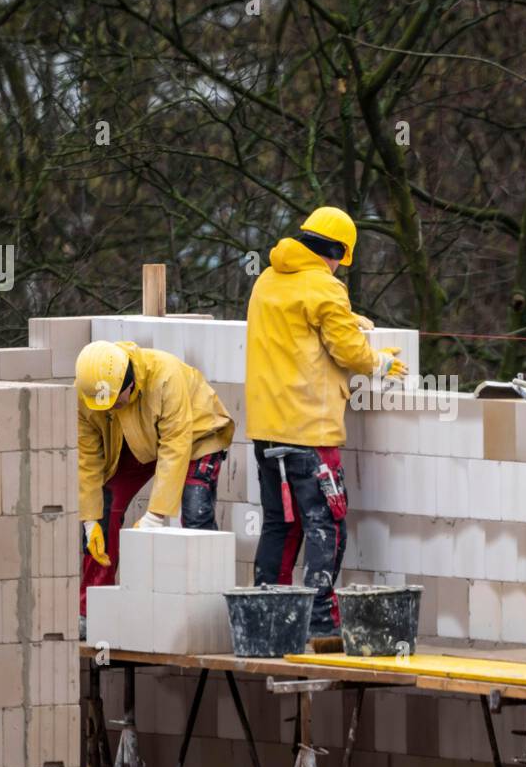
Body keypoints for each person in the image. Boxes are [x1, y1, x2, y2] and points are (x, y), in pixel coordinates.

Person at [245, 206, 408, 642]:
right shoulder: (326, 288)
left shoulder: (267, 280)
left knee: (280, 523)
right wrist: (380, 362)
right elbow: (350, 354)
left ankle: (267, 614)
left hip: (266, 430)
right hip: (309, 431)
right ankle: (320, 620)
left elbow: (295, 326)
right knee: (325, 522)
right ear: (335, 251)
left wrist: (348, 322)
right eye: (340, 258)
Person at [75, 338, 235, 638]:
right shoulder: (87, 393)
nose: (111, 406)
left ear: (130, 383)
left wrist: (155, 515)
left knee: (194, 510)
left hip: (196, 435)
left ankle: (208, 614)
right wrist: (88, 520)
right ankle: (91, 611)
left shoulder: (165, 376)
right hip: (135, 440)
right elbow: (88, 459)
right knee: (103, 512)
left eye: (116, 400)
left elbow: (175, 449)